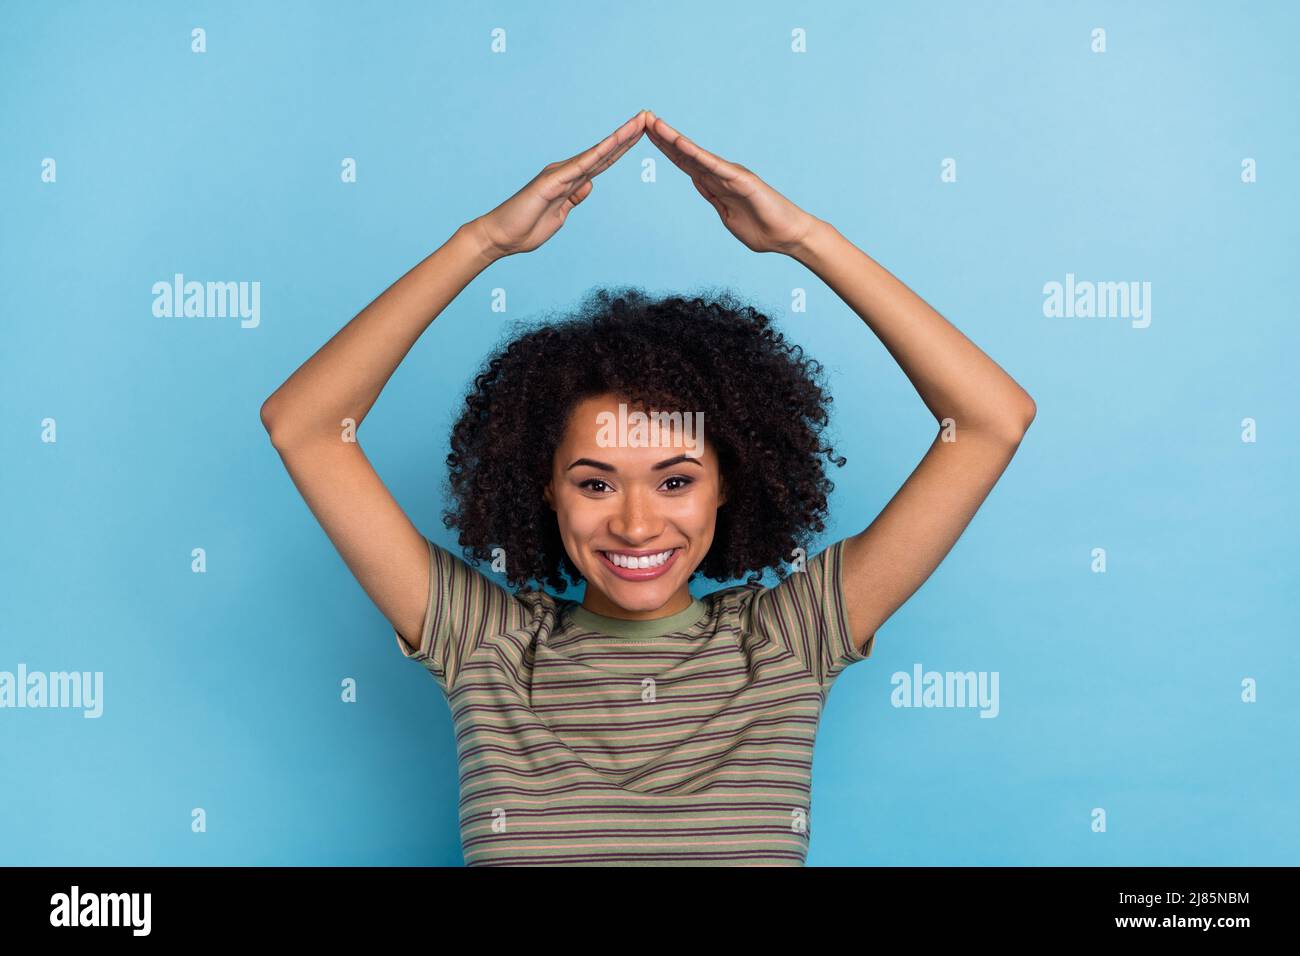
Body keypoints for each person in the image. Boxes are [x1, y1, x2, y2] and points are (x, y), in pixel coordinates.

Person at [260, 109, 1036, 865]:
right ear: (545, 488)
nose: (636, 525)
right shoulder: (488, 647)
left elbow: (992, 419)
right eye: (596, 483)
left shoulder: (788, 642)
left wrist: (805, 240)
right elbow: (305, 426)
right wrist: (483, 242)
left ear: (727, 484)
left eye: (674, 480)